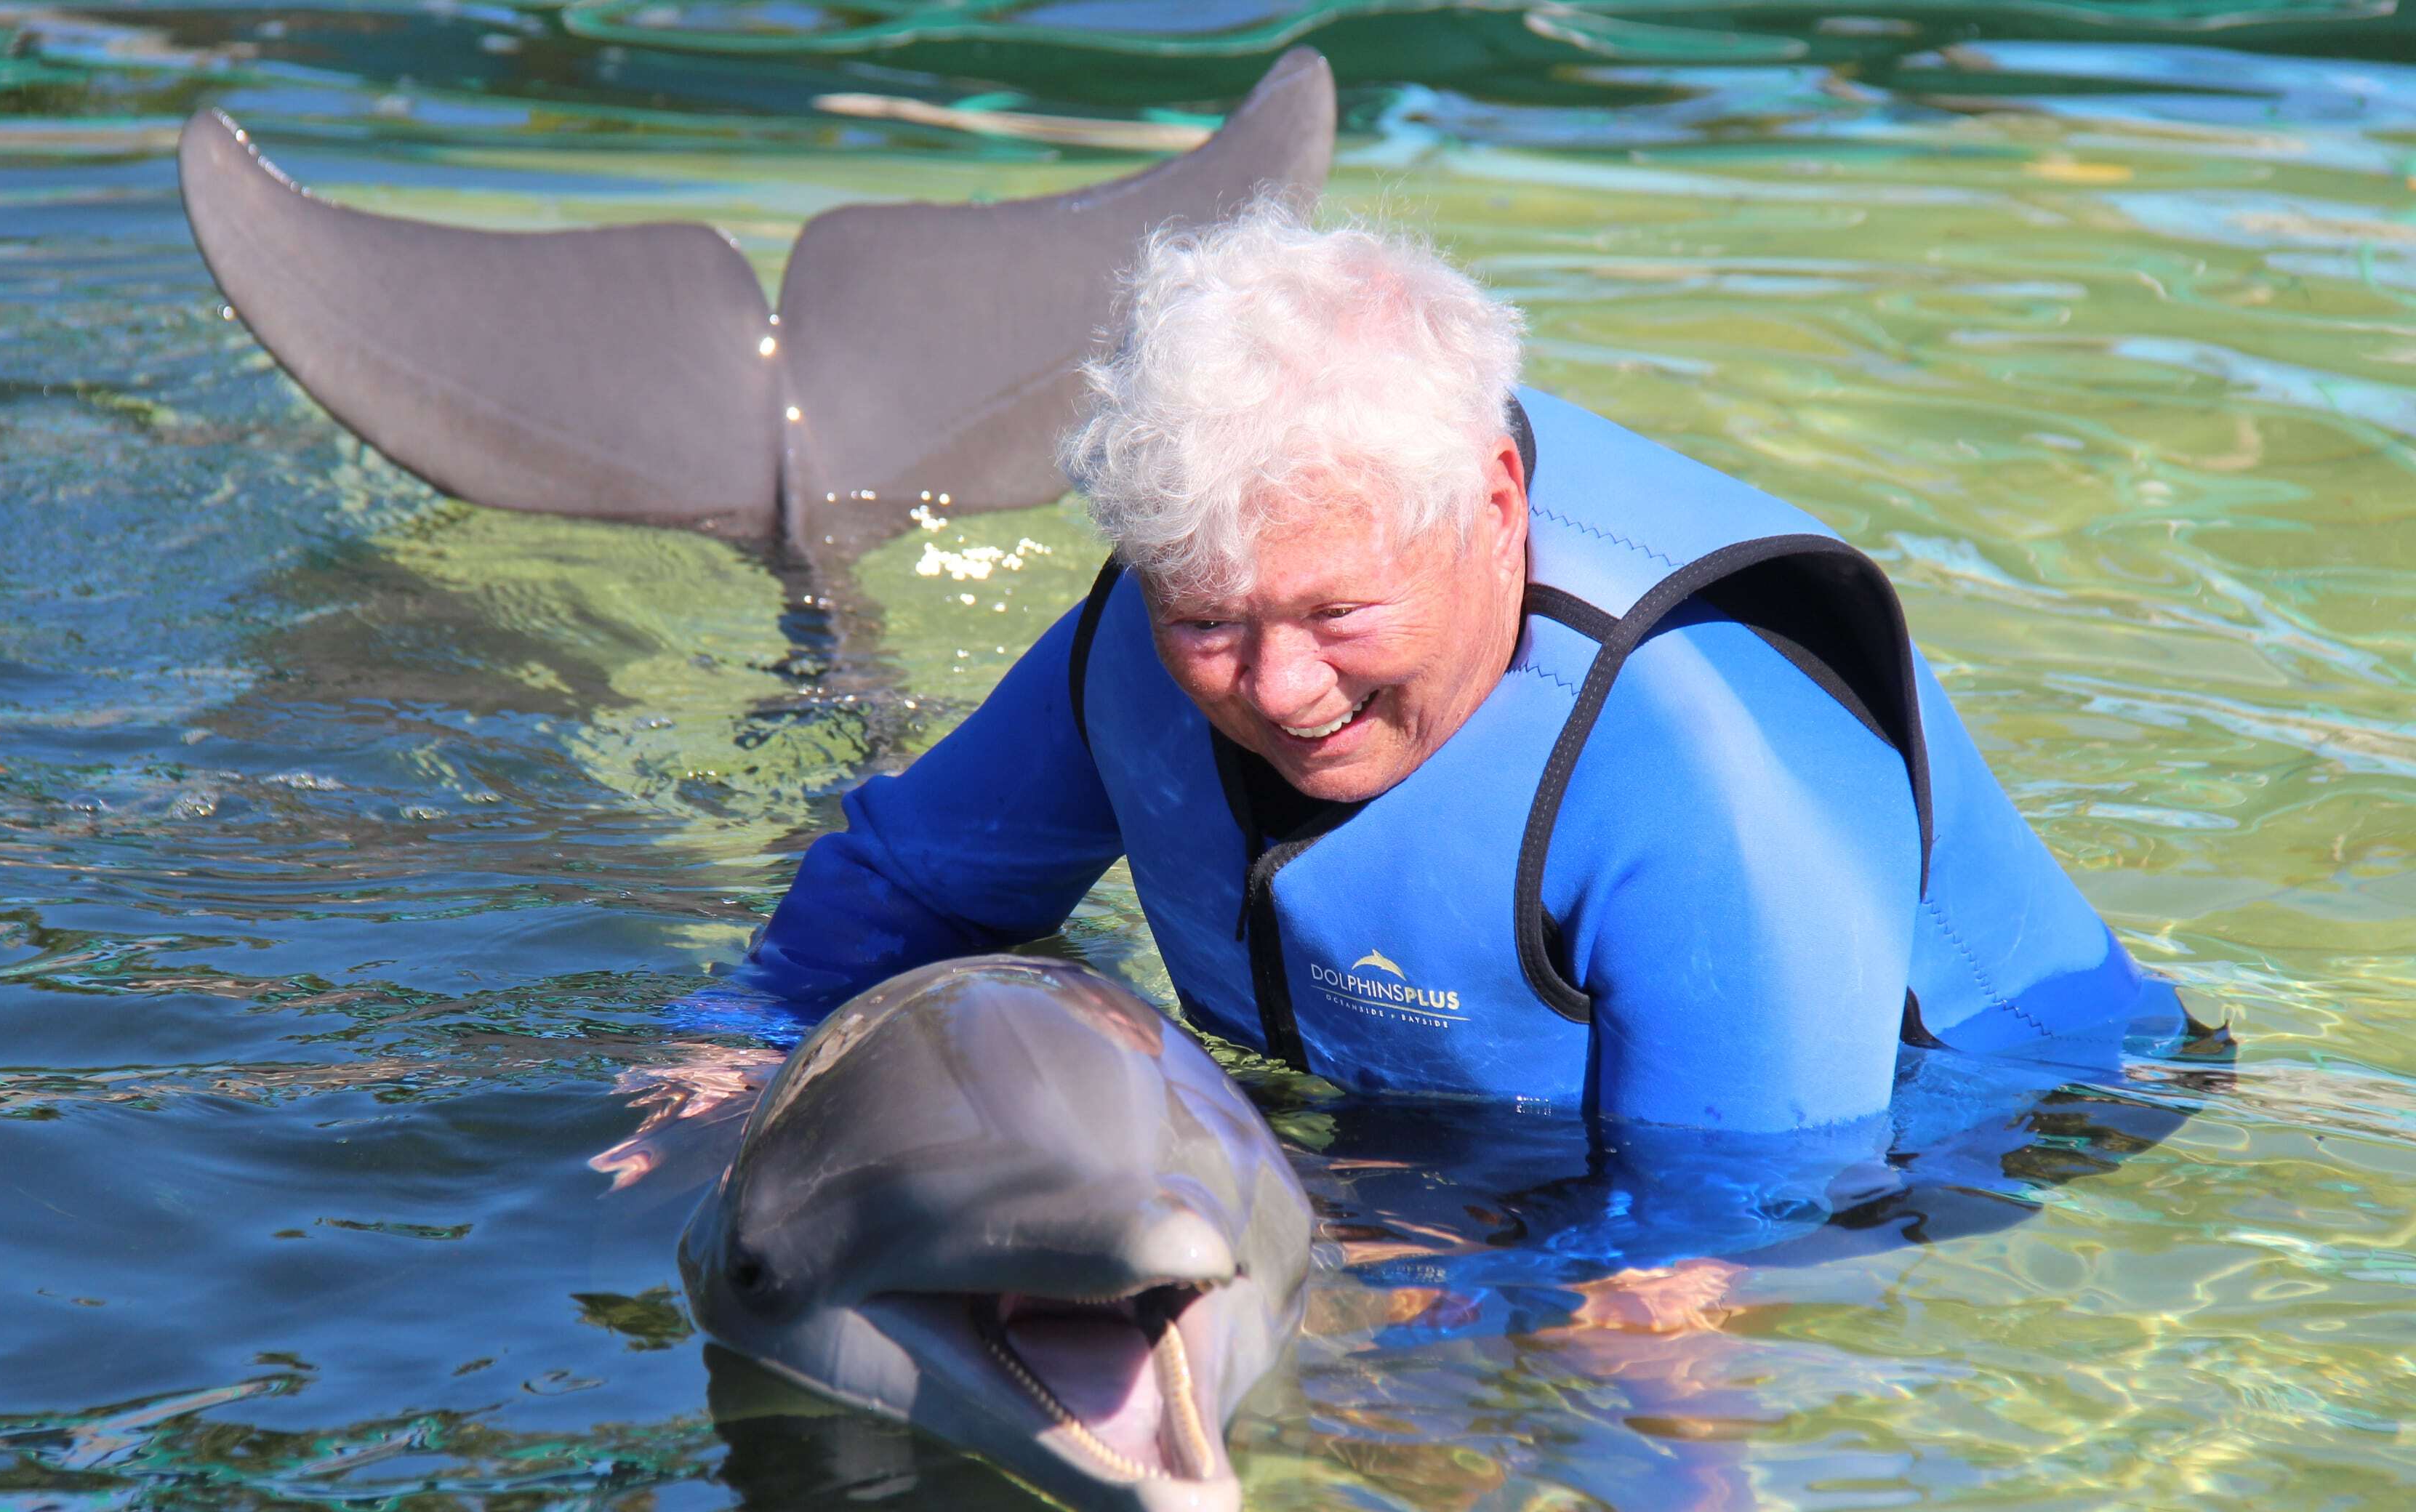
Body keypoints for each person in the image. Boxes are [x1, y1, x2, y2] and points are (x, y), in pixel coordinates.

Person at [737, 203, 2180, 1130]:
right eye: (1209, 623)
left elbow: (1727, 1239)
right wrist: (723, 1067)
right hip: (1415, 1156)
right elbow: (907, 888)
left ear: (1494, 510)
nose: (1278, 687)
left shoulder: (1689, 762)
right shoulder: (1159, 619)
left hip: (1952, 1148)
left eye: (1337, 615)